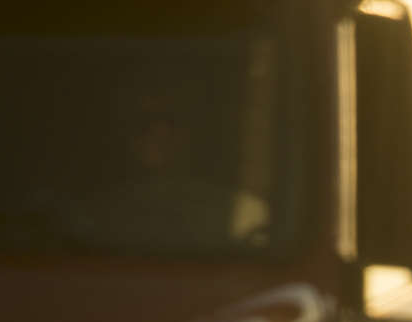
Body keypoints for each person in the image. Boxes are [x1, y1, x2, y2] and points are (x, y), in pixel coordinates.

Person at [69, 72, 268, 253]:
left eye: (171, 120)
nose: (159, 132)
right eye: (144, 122)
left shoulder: (243, 214)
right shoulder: (94, 217)